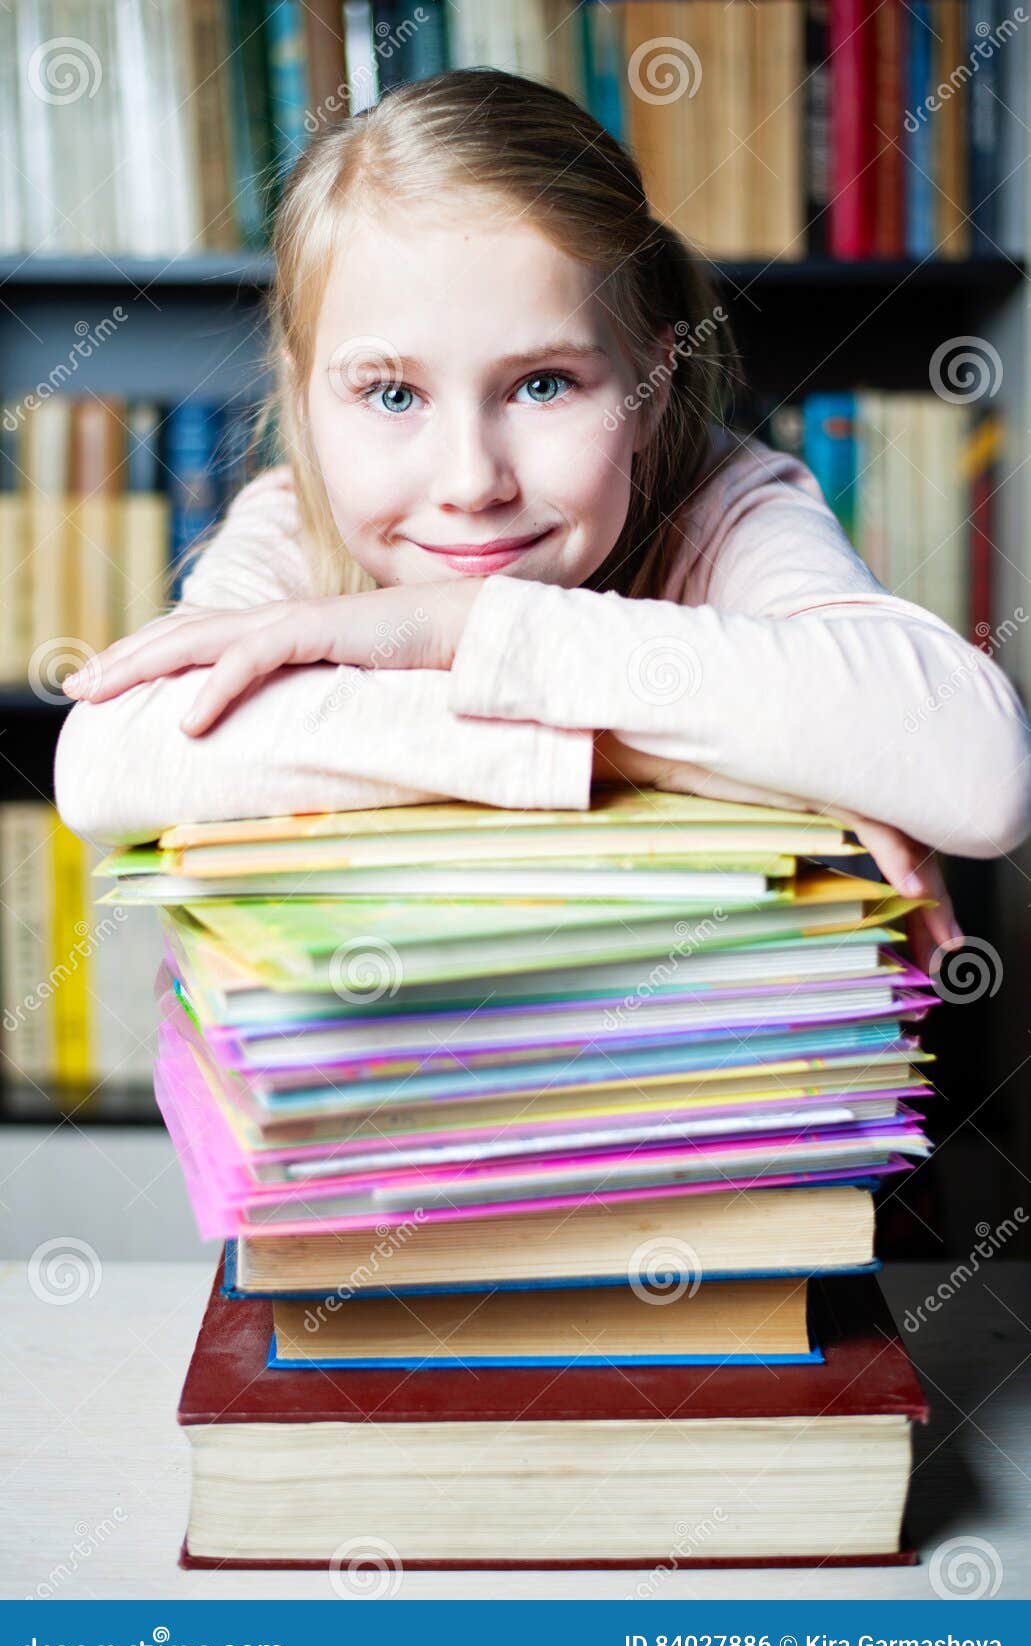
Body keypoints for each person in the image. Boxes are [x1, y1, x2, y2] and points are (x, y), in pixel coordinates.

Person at [54, 70, 1031, 976]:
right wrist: (629, 749)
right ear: (302, 400)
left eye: (542, 383)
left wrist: (459, 632)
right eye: (391, 396)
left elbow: (975, 769)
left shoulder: (724, 505)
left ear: (650, 390)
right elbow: (110, 761)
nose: (472, 480)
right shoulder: (287, 526)